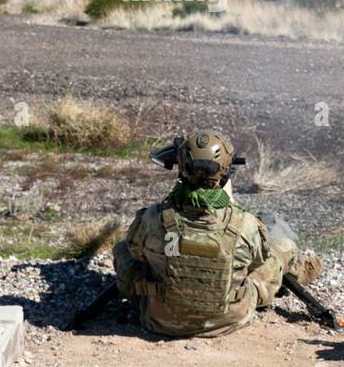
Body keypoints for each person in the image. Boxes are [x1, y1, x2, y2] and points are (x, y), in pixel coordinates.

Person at [112, 130, 322, 338]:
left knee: (122, 249)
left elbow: (135, 250)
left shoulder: (153, 217)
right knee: (282, 250)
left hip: (160, 320)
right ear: (225, 170)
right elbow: (256, 262)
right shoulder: (245, 223)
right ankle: (300, 271)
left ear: (181, 166)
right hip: (229, 318)